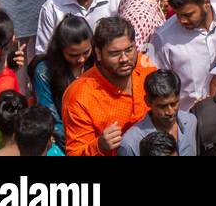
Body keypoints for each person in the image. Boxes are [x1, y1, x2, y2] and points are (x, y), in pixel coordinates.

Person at [61, 16, 154, 156]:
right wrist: (99, 146)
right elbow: (75, 153)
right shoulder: (79, 96)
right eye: (115, 53)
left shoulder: (146, 67)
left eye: (129, 49)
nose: (124, 59)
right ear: (98, 53)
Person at [118, 68, 199, 156]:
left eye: (174, 104)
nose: (170, 112)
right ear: (148, 101)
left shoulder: (191, 123)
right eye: (162, 106)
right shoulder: (130, 144)